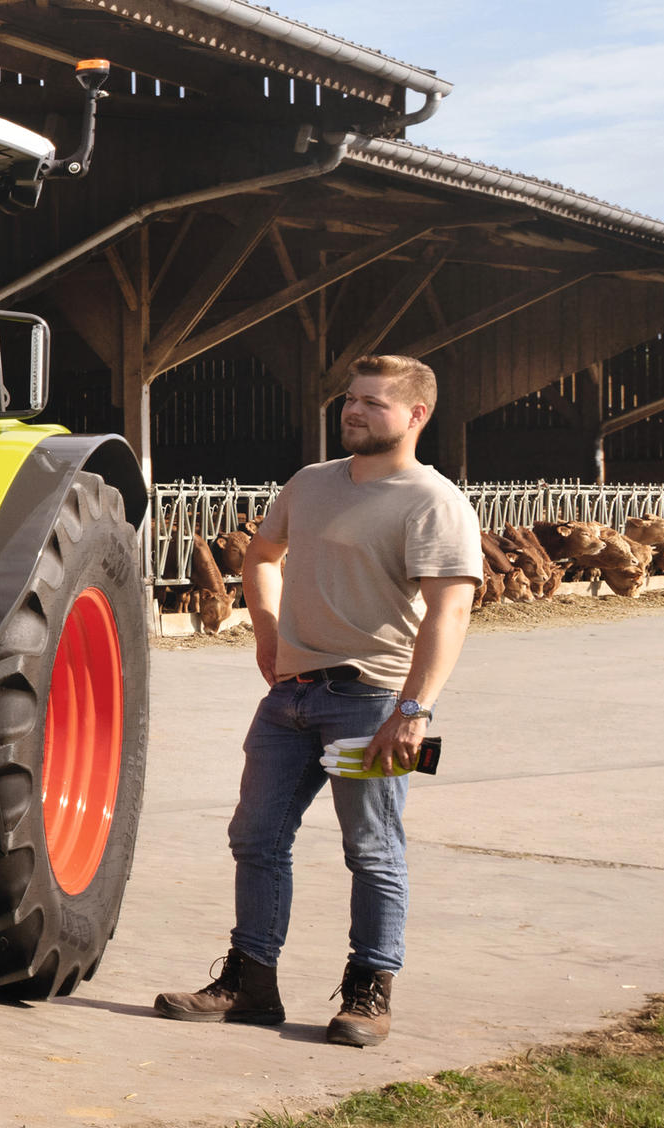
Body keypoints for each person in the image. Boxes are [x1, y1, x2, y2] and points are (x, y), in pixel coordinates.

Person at [156, 353, 480, 1047]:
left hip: (372, 705)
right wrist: (266, 630)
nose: (353, 411)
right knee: (255, 838)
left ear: (416, 415)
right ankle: (250, 982)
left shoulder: (434, 502)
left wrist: (414, 712)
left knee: (372, 848)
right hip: (289, 703)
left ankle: (369, 991)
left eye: (373, 402)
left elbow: (450, 613)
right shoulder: (311, 483)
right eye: (350, 400)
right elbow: (261, 554)